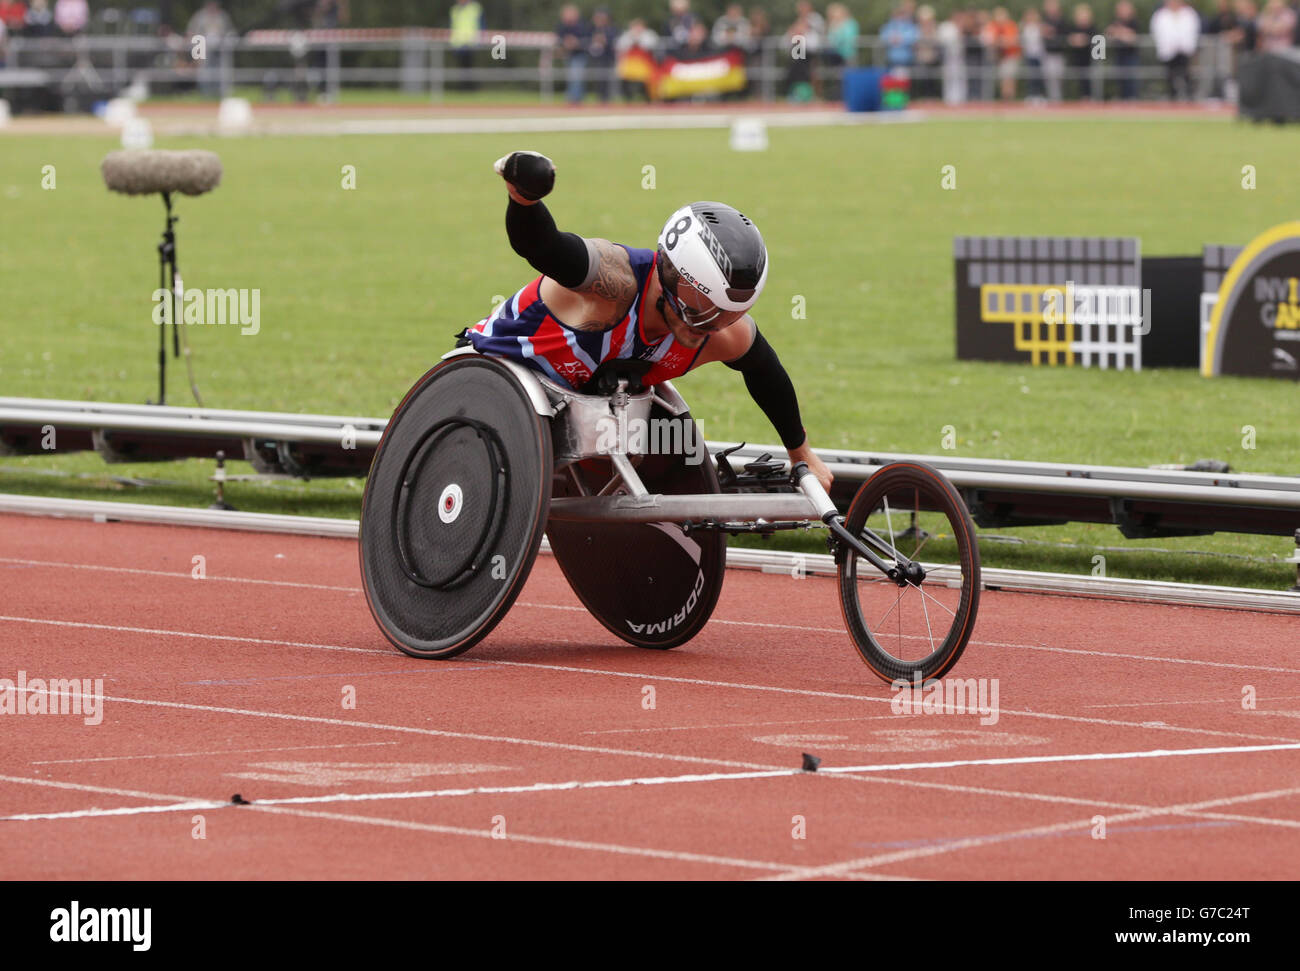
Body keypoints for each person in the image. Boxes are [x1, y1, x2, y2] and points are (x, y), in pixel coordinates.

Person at [464, 150, 833, 493]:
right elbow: (542, 246)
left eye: (729, 313)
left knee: (677, 445)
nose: (710, 325)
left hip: (575, 418)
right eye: (701, 304)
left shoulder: (720, 331)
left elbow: (766, 372)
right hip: (490, 384)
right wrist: (524, 198)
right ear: (672, 273)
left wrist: (801, 454)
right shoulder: (613, 283)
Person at [1151, 0, 1200, 99]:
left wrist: (1185, 45)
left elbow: (1193, 31)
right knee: (1169, 77)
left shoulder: (1189, 14)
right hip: (1167, 52)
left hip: (1185, 52)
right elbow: (1156, 33)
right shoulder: (1160, 15)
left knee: (1187, 76)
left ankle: (1190, 98)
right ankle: (1172, 98)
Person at [555, 4, 592, 104]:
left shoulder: (583, 26)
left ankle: (575, 100)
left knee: (576, 76)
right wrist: (564, 44)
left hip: (580, 54)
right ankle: (575, 98)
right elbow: (559, 40)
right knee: (571, 77)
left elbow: (588, 41)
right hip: (568, 55)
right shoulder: (562, 26)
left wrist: (576, 43)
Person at [615, 17, 658, 100]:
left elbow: (650, 46)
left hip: (645, 63)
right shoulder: (627, 35)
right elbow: (620, 46)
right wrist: (632, 38)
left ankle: (647, 97)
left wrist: (639, 39)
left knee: (649, 78)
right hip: (630, 64)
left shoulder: (648, 34)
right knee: (623, 75)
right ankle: (627, 97)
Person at [1105, 0, 1141, 99]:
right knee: (1120, 79)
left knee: (1131, 79)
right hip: (1119, 55)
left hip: (1131, 55)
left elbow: (1132, 38)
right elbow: (1108, 34)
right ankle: (1123, 99)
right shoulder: (1115, 21)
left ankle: (1132, 99)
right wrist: (1123, 34)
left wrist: (1119, 33)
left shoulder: (1134, 22)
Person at [823, 2, 859, 99]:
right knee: (838, 78)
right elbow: (830, 39)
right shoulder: (834, 25)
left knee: (849, 76)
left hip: (848, 55)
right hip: (837, 56)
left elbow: (845, 39)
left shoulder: (850, 24)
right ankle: (840, 97)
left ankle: (850, 97)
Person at [984, 6, 1021, 100]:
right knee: (1002, 81)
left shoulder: (1011, 25)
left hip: (1010, 56)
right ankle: (1005, 100)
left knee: (1009, 80)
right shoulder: (992, 25)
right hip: (997, 58)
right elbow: (989, 40)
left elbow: (1012, 41)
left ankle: (1009, 100)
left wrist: (1002, 42)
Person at [1065, 3, 1097, 100]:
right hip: (1077, 59)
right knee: (1080, 80)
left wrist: (1084, 40)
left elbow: (1097, 41)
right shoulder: (1072, 28)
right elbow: (1068, 39)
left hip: (1091, 59)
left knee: (1090, 79)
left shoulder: (1093, 28)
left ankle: (1092, 97)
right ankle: (1082, 97)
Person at [588, 8, 619, 102]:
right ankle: (600, 97)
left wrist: (605, 41)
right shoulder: (591, 29)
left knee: (608, 79)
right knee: (599, 79)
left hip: (608, 58)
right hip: (595, 59)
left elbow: (615, 42)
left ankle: (607, 98)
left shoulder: (612, 29)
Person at [914, 5, 943, 99]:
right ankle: (923, 97)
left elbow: (937, 42)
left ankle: (933, 98)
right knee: (923, 81)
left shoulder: (935, 29)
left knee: (933, 81)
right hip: (922, 59)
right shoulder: (917, 30)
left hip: (933, 59)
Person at [1040, 0, 1068, 100]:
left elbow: (1064, 35)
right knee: (1049, 77)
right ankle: (1052, 99)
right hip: (1047, 53)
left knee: (1059, 77)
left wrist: (1052, 34)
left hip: (1058, 53)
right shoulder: (1043, 19)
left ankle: (1058, 99)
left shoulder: (1061, 20)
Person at [881, 2, 920, 72]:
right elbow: (883, 36)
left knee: (905, 80)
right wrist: (891, 40)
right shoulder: (889, 25)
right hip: (892, 59)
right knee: (893, 80)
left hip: (906, 60)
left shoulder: (909, 25)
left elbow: (913, 37)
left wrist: (901, 40)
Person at [1021, 7, 1046, 100]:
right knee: (1031, 76)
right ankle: (1031, 95)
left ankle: (1039, 95)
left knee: (1039, 76)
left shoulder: (1039, 27)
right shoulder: (1024, 27)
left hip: (1039, 55)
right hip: (1029, 55)